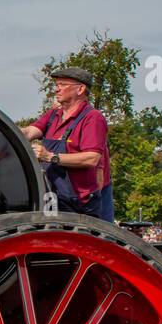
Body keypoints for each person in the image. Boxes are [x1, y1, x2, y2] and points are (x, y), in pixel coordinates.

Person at [22, 66, 113, 220]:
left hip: (79, 204)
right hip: (53, 198)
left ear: (80, 89)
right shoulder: (53, 115)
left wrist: (50, 156)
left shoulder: (92, 118)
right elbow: (29, 132)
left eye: (62, 84)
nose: (56, 89)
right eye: (56, 85)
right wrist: (3, 128)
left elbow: (92, 158)